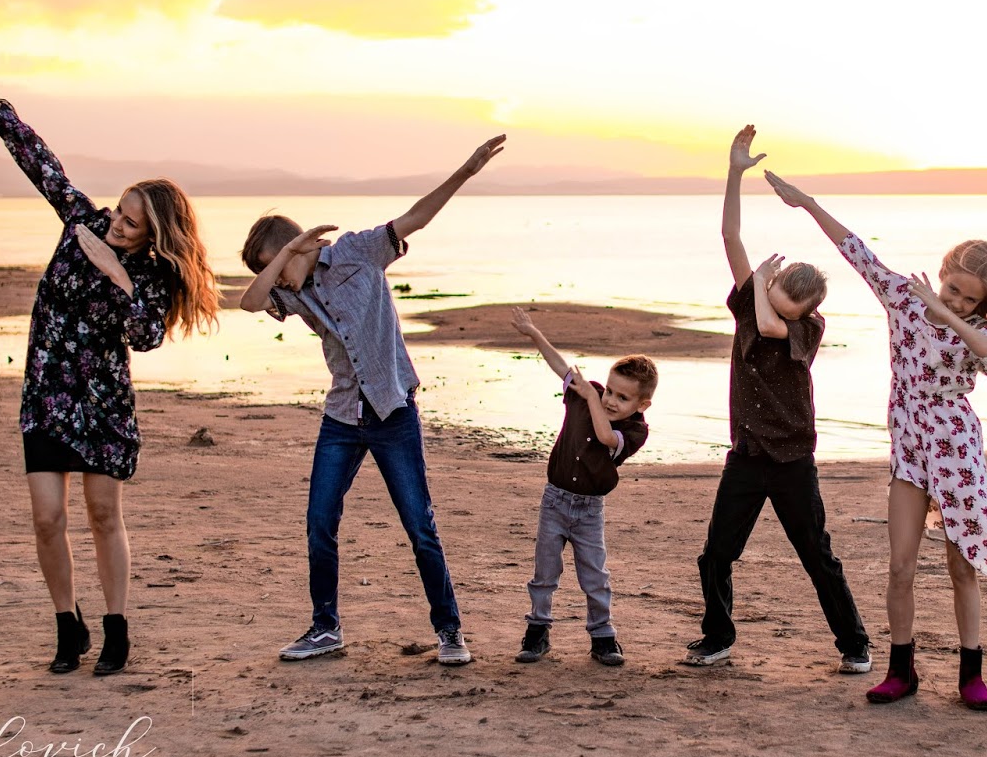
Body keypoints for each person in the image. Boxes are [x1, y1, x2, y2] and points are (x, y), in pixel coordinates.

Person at [0, 51, 221, 676]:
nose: (118, 224)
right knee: (47, 519)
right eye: (120, 212)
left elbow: (146, 336)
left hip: (102, 403)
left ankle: (116, 629)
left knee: (103, 516)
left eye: (132, 222)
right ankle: (66, 624)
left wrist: (117, 274)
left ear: (154, 234)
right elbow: (40, 162)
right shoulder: (81, 222)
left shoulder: (150, 275)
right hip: (47, 394)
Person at [238, 132, 506, 667]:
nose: (280, 277)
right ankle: (325, 629)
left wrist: (466, 171)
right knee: (320, 523)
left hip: (392, 411)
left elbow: (416, 218)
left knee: (419, 527)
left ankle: (450, 631)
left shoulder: (359, 252)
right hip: (341, 417)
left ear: (307, 247)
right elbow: (248, 301)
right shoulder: (292, 293)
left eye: (283, 261)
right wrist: (287, 255)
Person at [767, 172, 987, 707]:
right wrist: (808, 203)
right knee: (900, 565)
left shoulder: (980, 329)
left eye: (970, 297)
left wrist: (948, 313)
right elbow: (856, 251)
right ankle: (901, 671)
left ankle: (971, 675)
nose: (958, 299)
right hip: (909, 449)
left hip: (956, 450)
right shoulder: (903, 299)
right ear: (942, 273)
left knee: (961, 566)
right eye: (952, 288)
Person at [684, 125, 872, 673]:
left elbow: (770, 327)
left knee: (817, 556)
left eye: (792, 308)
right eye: (775, 296)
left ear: (808, 312)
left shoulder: (808, 329)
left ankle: (855, 645)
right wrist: (734, 173)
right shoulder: (756, 298)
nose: (779, 309)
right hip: (746, 457)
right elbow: (730, 236)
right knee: (716, 555)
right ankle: (718, 638)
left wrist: (763, 285)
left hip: (792, 460)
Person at [508, 307, 654, 666]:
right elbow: (560, 366)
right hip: (554, 501)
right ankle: (537, 631)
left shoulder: (635, 430)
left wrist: (591, 398)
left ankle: (603, 636)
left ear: (642, 404)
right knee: (545, 571)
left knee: (594, 575)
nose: (611, 400)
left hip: (589, 510)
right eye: (610, 391)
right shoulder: (587, 393)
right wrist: (533, 332)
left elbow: (606, 437)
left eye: (623, 398)